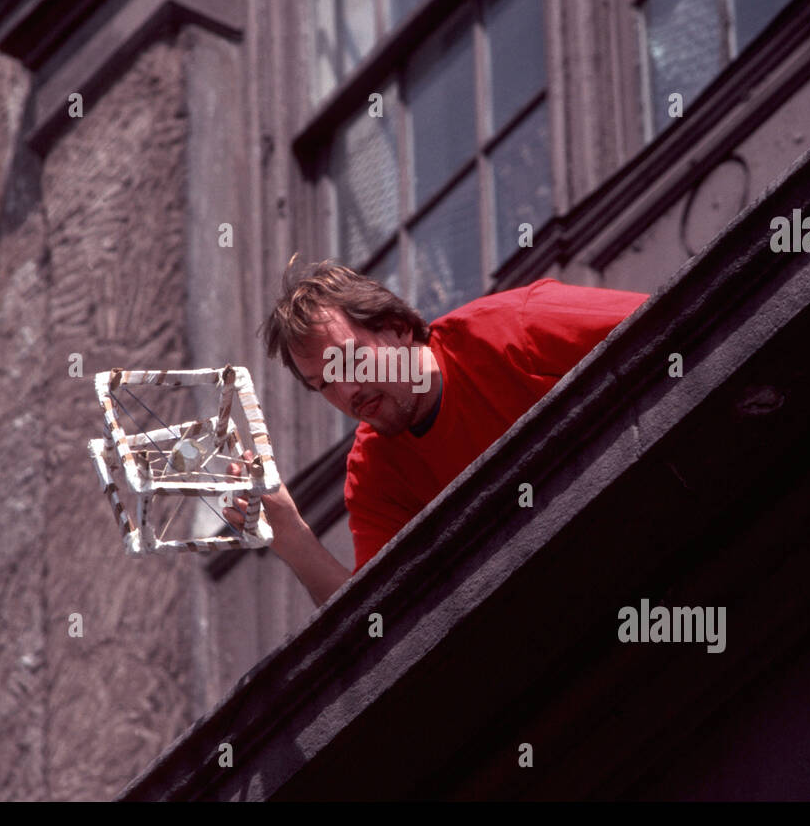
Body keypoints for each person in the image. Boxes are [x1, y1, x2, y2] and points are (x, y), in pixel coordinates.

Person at [224, 260, 649, 606]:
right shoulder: (375, 476)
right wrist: (290, 536)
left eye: (349, 361)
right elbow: (381, 628)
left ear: (397, 327)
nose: (347, 390)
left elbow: (679, 323)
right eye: (324, 385)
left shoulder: (513, 329)